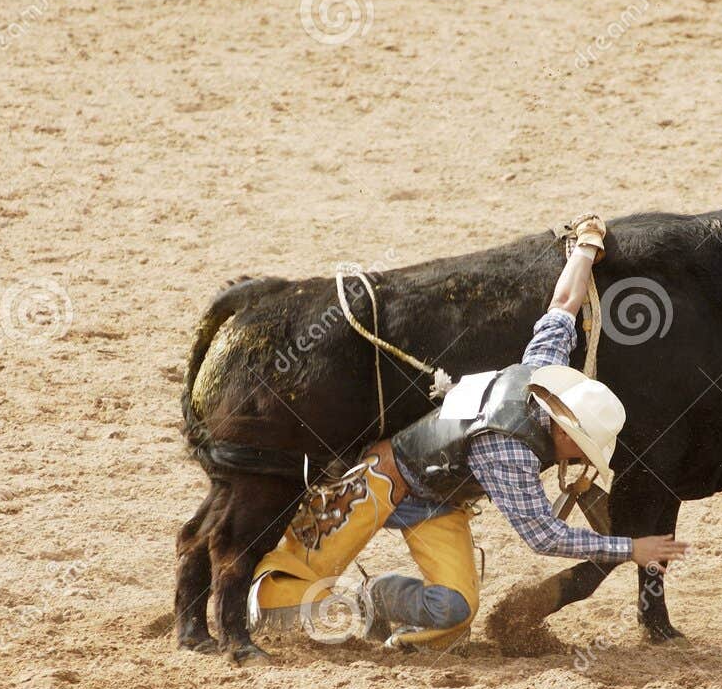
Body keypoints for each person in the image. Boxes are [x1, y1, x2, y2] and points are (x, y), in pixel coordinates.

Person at [249, 214, 691, 650]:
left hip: (437, 498)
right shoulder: (510, 450)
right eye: (583, 451)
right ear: (567, 433)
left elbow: (564, 306)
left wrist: (585, 249)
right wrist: (631, 549)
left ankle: (375, 598)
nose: (579, 460)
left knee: (454, 610)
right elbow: (544, 536)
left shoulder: (541, 369)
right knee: (283, 600)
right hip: (380, 481)